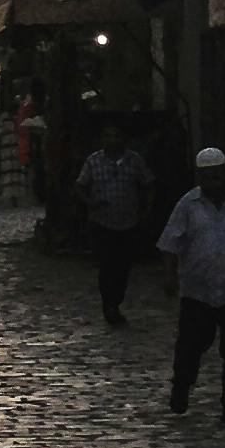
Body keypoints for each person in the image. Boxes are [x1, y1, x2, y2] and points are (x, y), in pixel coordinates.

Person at [159, 144, 225, 428]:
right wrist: (170, 275)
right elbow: (171, 242)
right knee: (191, 345)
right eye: (206, 176)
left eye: (216, 175)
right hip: (198, 291)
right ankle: (182, 384)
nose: (212, 181)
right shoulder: (187, 205)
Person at [73, 121, 156, 327]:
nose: (112, 140)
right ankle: (109, 304)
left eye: (116, 136)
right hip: (101, 222)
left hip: (128, 221)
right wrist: (90, 203)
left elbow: (148, 184)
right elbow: (80, 185)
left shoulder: (134, 161)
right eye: (108, 136)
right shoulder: (93, 161)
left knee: (123, 265)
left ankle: (116, 300)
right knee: (106, 265)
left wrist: (147, 210)